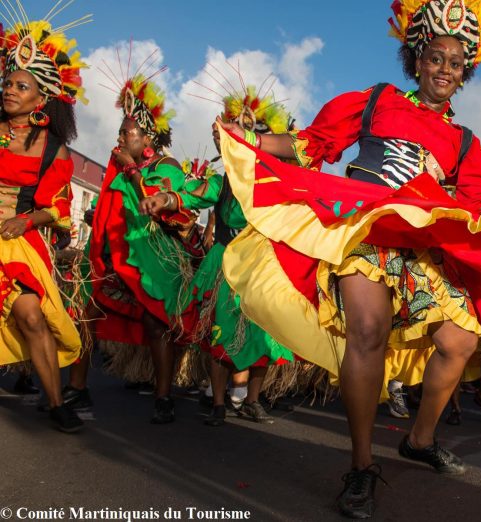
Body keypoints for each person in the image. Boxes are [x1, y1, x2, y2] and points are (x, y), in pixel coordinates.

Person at [217, 1, 481, 518]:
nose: (444, 69)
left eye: (455, 62)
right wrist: (250, 137)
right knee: (367, 330)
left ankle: (419, 438)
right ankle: (361, 466)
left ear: (464, 73)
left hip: (419, 246)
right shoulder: (377, 101)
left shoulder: (464, 142)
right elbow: (309, 144)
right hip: (363, 230)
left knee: (460, 339)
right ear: (417, 60)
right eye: (435, 57)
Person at [79, 66, 218, 423]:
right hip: (117, 249)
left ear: (147, 137)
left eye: (129, 133)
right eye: (120, 132)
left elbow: (168, 206)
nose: (122, 138)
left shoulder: (167, 166)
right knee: (85, 306)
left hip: (157, 255)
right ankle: (75, 388)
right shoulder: (116, 163)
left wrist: (132, 171)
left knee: (158, 324)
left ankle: (163, 395)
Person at [182, 85, 296, 427]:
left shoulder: (276, 180)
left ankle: (252, 400)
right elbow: (194, 195)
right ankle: (218, 403)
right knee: (221, 333)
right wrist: (171, 199)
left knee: (264, 336)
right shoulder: (224, 180)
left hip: (262, 267)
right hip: (226, 264)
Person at [0, 6, 90, 432]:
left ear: (43, 98)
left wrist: (27, 219)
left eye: (22, 85)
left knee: (33, 316)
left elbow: (58, 206)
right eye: (8, 82)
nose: (10, 90)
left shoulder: (55, 150)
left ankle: (56, 403)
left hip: (17, 242)